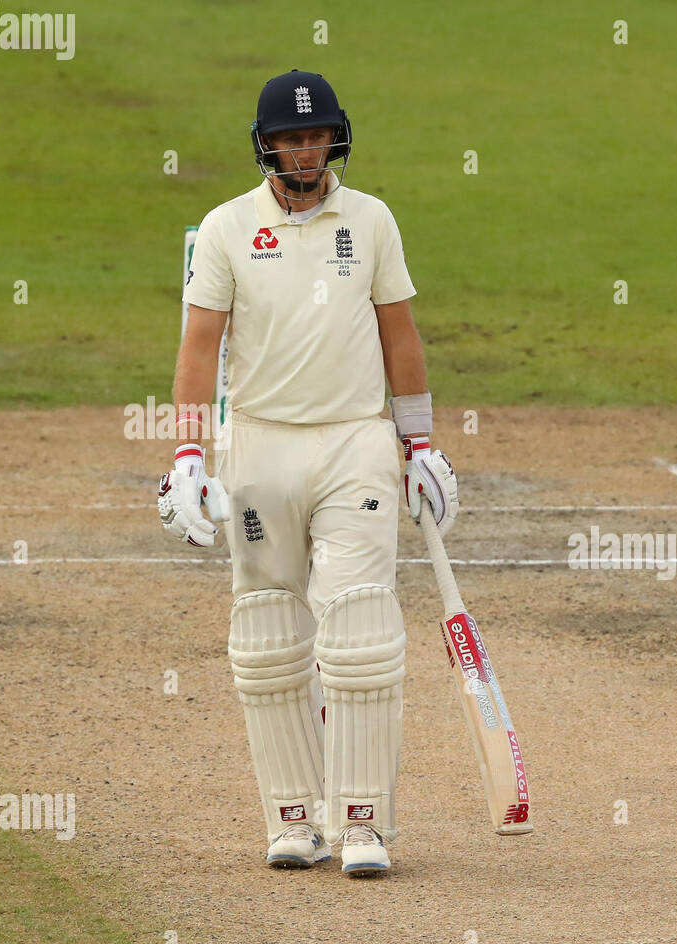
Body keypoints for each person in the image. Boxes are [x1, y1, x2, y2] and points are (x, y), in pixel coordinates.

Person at [157, 69, 457, 877]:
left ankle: (363, 822)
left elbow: (400, 332)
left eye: (316, 135)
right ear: (266, 145)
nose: (303, 150)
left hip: (355, 441)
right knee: (266, 633)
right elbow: (199, 346)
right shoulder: (225, 229)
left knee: (361, 627)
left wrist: (418, 441)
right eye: (289, 137)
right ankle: (293, 819)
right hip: (259, 446)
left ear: (335, 139)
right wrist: (189, 455)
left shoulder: (372, 220)